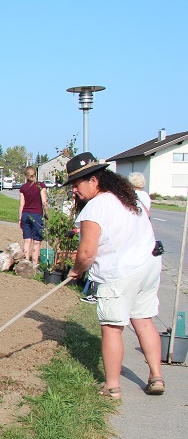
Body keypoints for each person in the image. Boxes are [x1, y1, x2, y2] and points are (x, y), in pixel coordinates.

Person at [65, 152, 164, 399]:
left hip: (121, 273)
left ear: (94, 180)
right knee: (143, 320)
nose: (74, 191)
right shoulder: (130, 197)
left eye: (76, 185)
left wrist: (77, 270)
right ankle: (156, 376)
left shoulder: (95, 207)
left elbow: (87, 251)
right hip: (148, 266)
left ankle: (111, 387)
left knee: (111, 327)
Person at [18, 166, 49, 266]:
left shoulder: (23, 188)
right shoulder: (41, 186)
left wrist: (20, 219)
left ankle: (26, 262)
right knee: (37, 241)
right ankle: (35, 264)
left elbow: (21, 204)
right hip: (37, 215)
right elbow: (44, 202)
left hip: (25, 215)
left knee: (27, 240)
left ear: (26, 176)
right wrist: (47, 214)